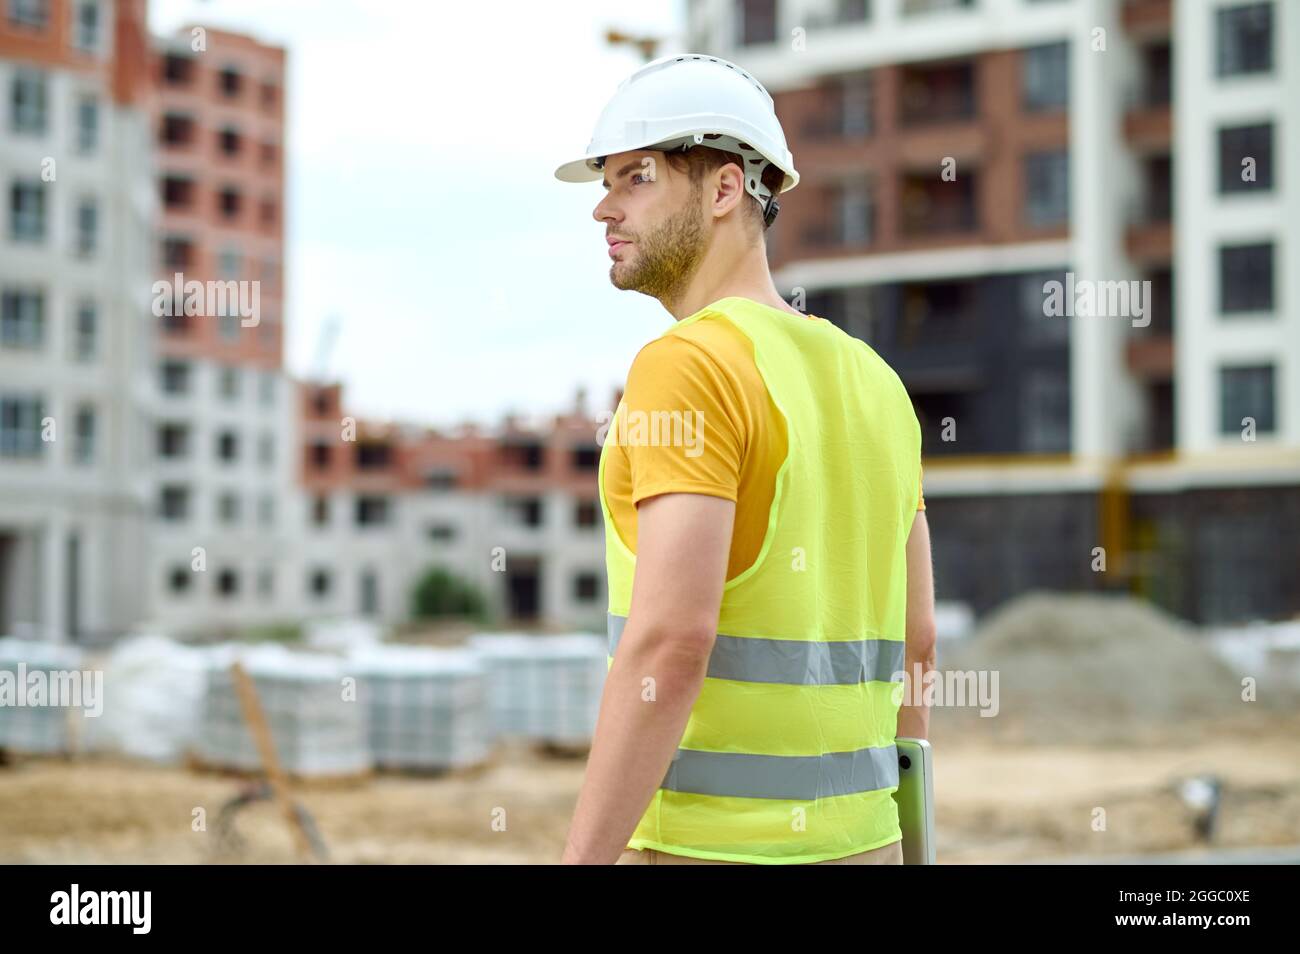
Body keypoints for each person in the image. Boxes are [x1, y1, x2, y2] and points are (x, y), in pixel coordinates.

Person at [555, 53, 937, 865]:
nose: (603, 209)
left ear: (725, 189)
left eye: (635, 179)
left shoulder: (688, 365)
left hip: (710, 848)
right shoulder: (878, 384)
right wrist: (905, 837)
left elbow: (671, 643)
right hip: (865, 844)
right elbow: (921, 642)